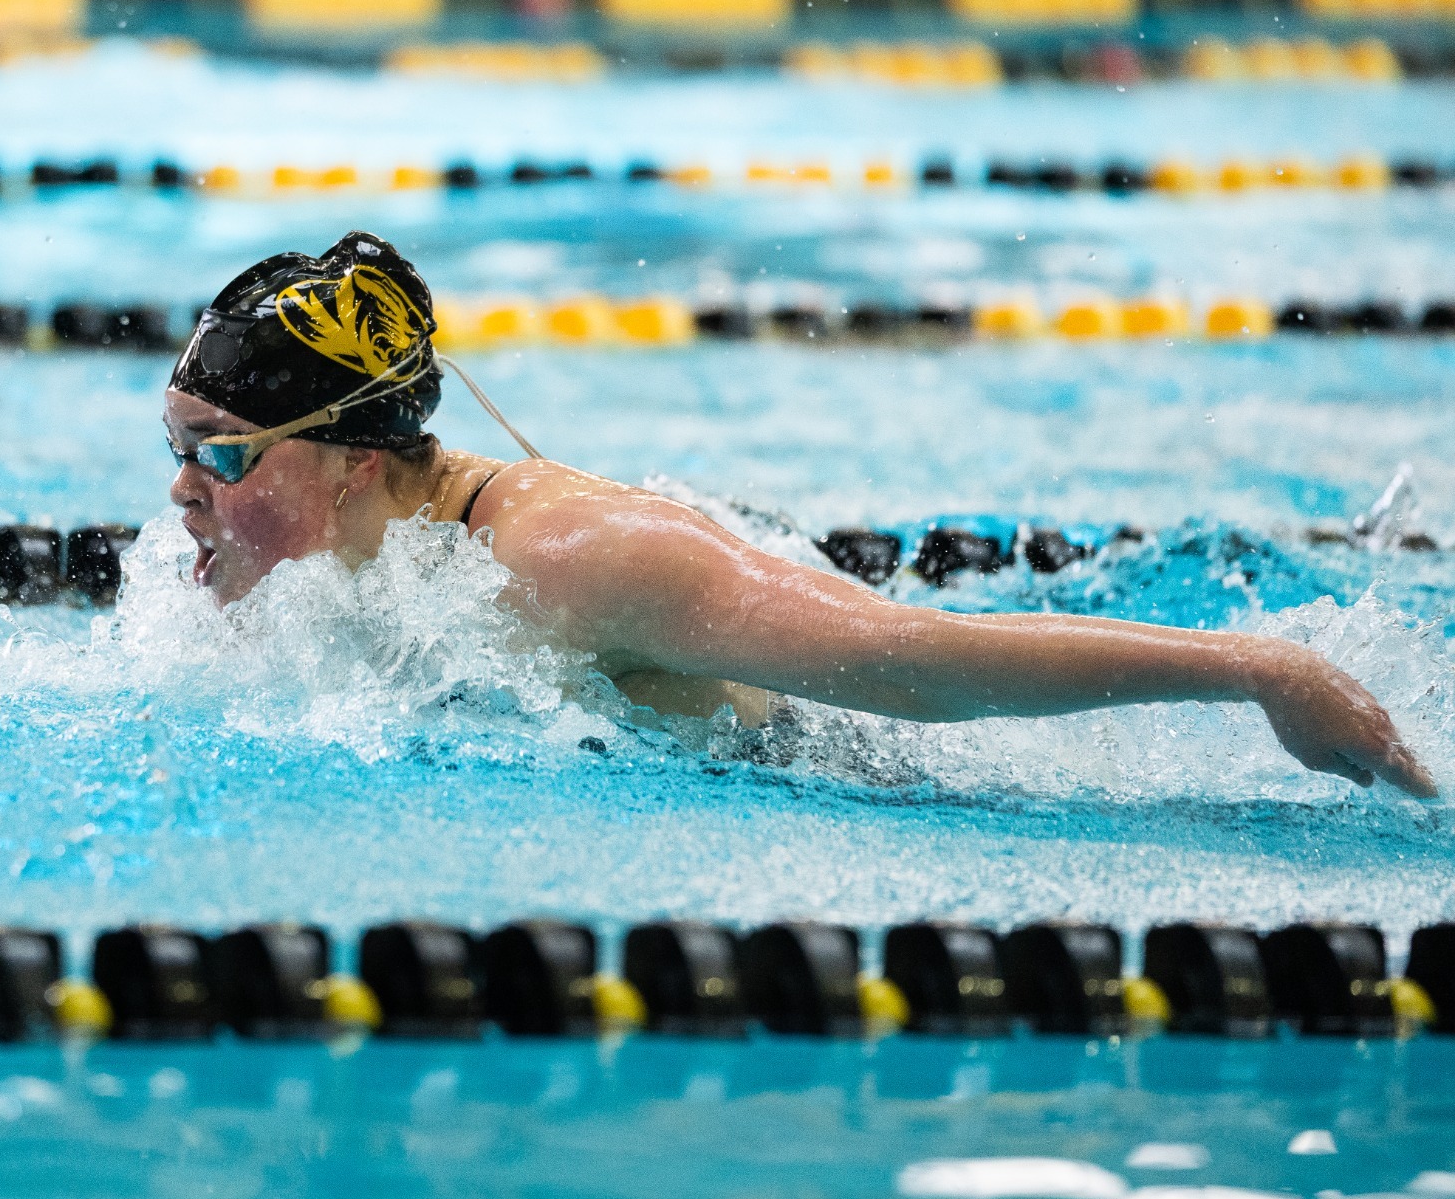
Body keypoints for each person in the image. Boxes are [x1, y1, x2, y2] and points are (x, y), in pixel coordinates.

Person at [164, 231, 1438, 797]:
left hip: (874, 777)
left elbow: (908, 661)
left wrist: (1252, 669)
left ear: (346, 457)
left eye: (219, 457)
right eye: (174, 451)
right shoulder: (330, 556)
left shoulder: (572, 559)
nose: (182, 493)